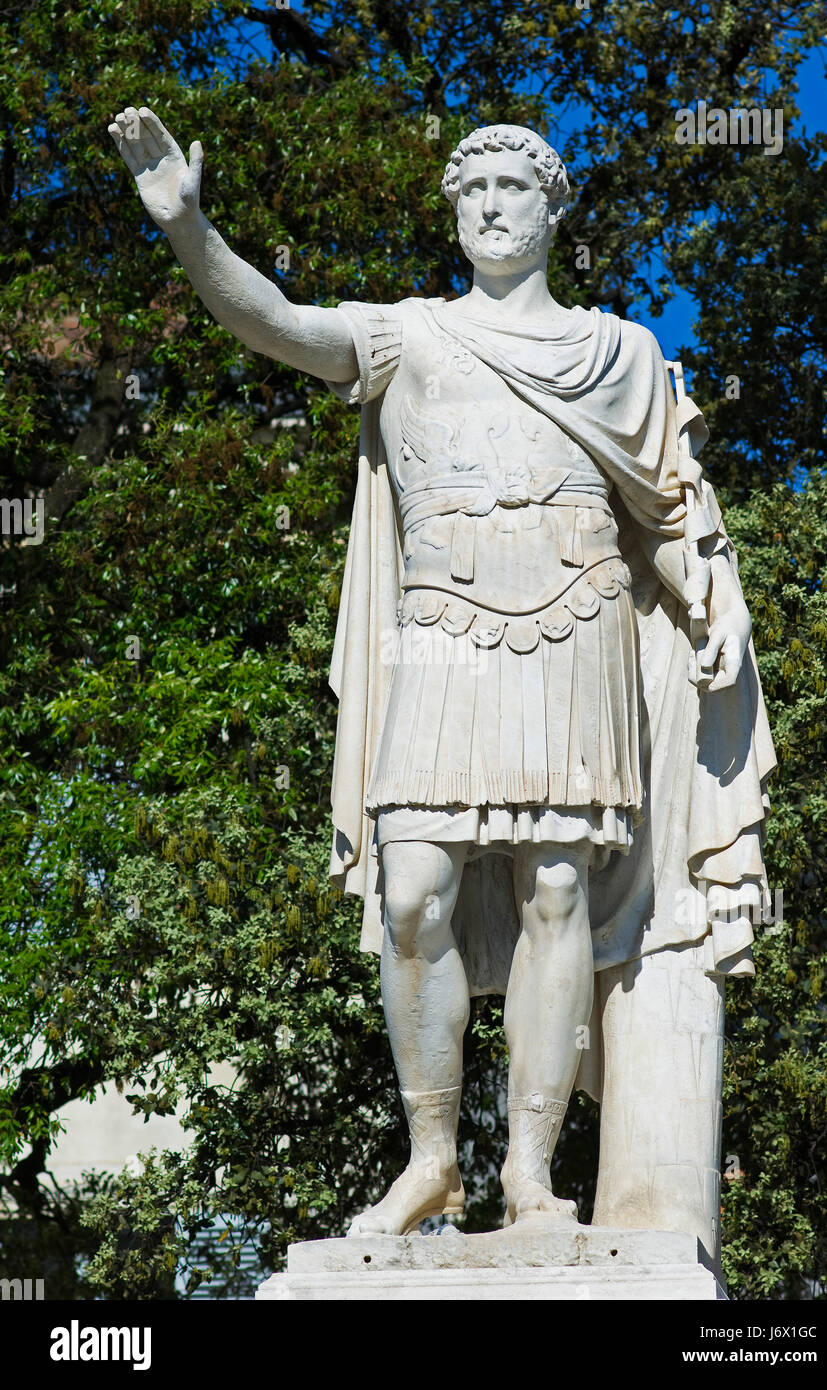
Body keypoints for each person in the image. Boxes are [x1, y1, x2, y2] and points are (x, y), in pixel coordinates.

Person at [109, 111, 775, 1251]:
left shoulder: (615, 352)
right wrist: (188, 228)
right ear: (455, 215)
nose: (494, 207)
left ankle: (527, 1172)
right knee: (410, 890)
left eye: (516, 187)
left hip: (578, 627)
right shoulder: (407, 333)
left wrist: (707, 602)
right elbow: (275, 323)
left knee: (555, 890)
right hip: (438, 636)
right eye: (474, 193)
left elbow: (660, 509)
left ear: (555, 207)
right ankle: (431, 1160)